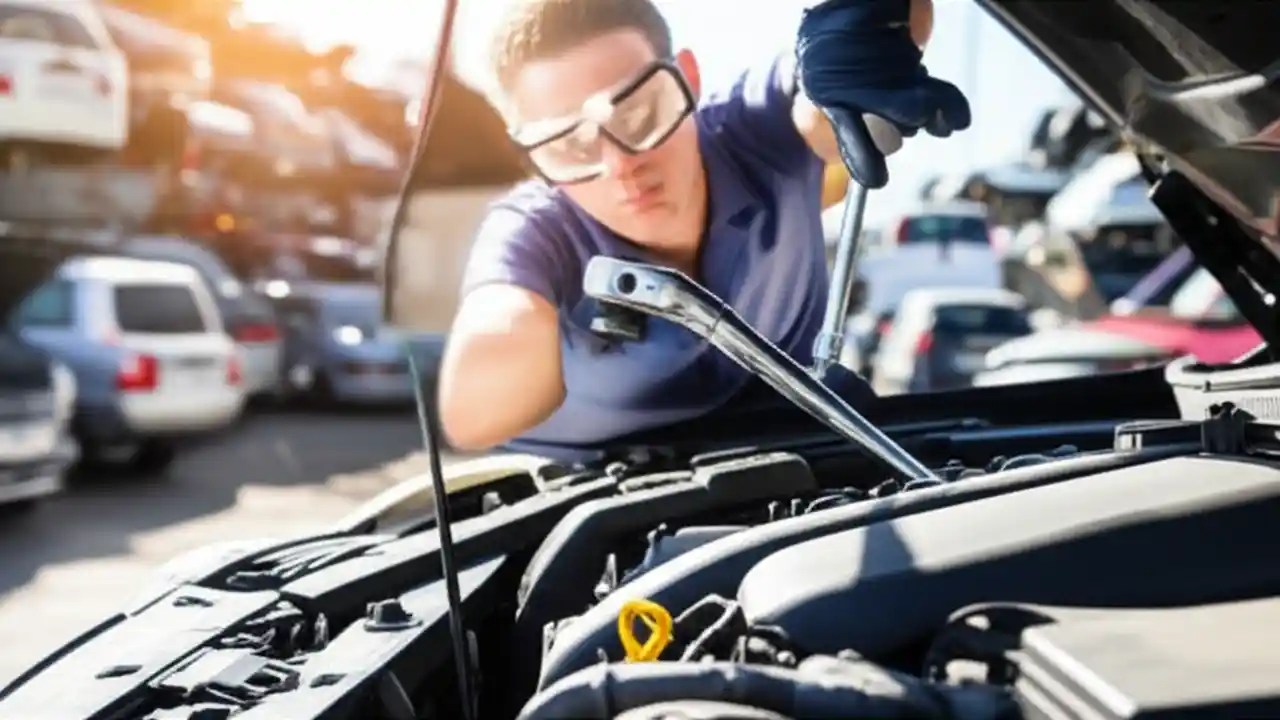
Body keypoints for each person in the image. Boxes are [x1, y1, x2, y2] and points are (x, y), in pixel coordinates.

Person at [437, 0, 969, 455]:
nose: (621, 166)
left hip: (809, 459)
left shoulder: (752, 133)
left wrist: (861, 44)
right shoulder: (533, 231)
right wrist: (513, 340)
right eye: (568, 144)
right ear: (533, 156)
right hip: (595, 511)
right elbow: (473, 406)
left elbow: (828, 86)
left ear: (688, 79)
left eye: (640, 111)